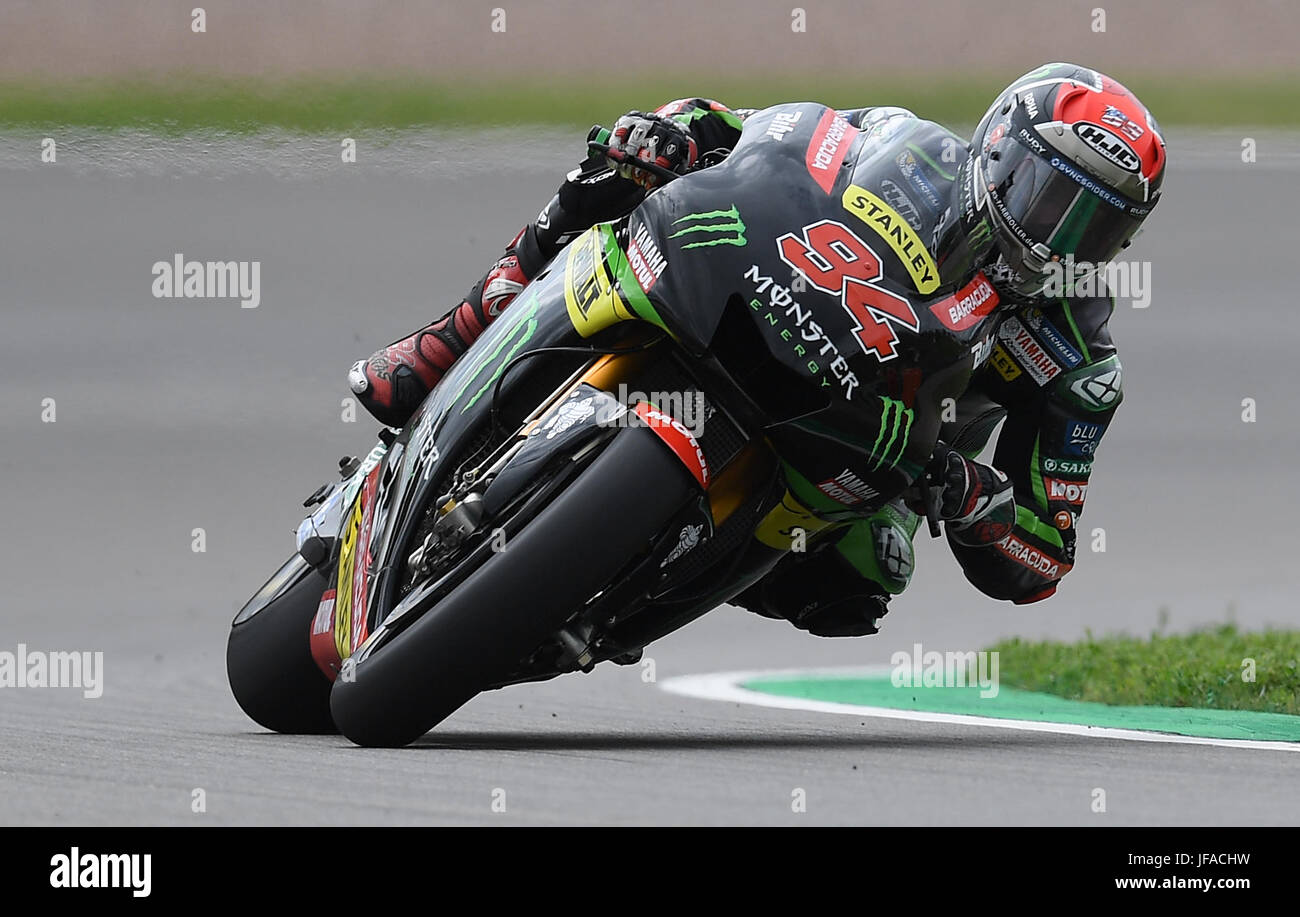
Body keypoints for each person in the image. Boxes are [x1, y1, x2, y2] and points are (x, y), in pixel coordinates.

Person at [347, 62, 1166, 637]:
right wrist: (675, 136)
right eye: (1052, 195)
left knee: (866, 576)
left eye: (1097, 227)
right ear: (998, 152)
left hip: (866, 455)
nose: (1061, 235)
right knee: (617, 175)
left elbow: (1047, 551)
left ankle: (622, 596)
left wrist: (976, 501)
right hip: (752, 304)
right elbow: (758, 136)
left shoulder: (1077, 357)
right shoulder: (908, 149)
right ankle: (452, 336)